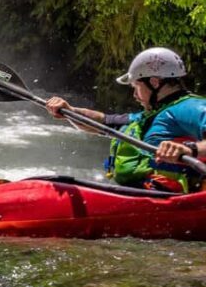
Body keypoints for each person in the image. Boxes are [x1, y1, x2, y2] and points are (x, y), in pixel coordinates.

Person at [45, 47, 206, 193]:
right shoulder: (148, 116)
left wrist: (191, 150)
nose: (135, 95)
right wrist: (70, 111)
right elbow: (103, 121)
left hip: (167, 201)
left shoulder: (190, 107)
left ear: (154, 82)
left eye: (136, 86)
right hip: (139, 196)